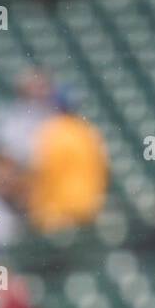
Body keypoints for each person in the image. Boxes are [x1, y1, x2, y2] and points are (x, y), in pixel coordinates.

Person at [26, 87, 109, 231]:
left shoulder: (53, 130)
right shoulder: (88, 131)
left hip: (59, 211)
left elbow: (41, 170)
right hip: (89, 207)